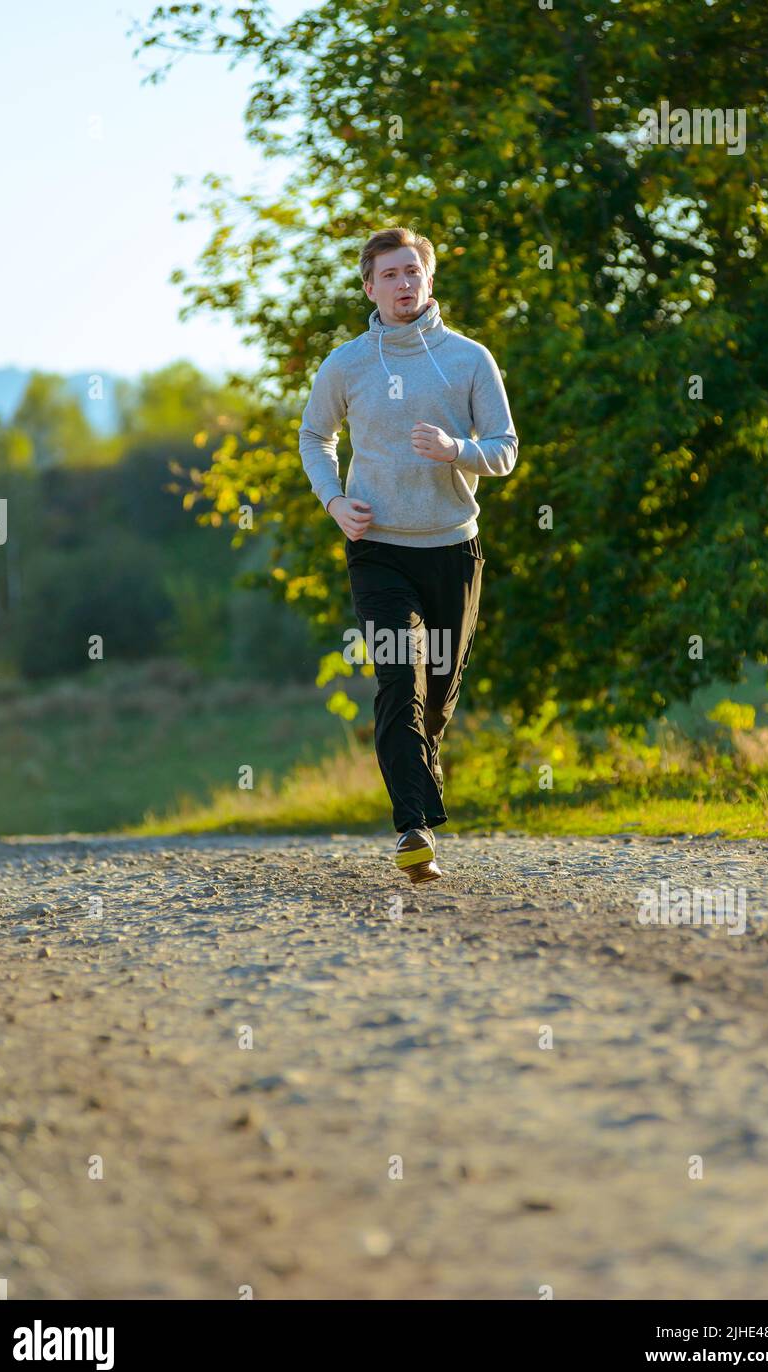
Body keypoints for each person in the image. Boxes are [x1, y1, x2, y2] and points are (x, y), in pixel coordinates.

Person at [299, 227, 518, 883]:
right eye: (388, 274)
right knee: (400, 681)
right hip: (378, 552)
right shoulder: (346, 364)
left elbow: (503, 450)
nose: (402, 284)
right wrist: (335, 502)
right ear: (369, 287)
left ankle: (423, 775)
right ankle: (413, 830)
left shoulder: (469, 359)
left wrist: (457, 450)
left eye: (411, 272)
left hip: (453, 550)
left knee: (438, 695)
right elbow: (314, 435)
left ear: (428, 280)